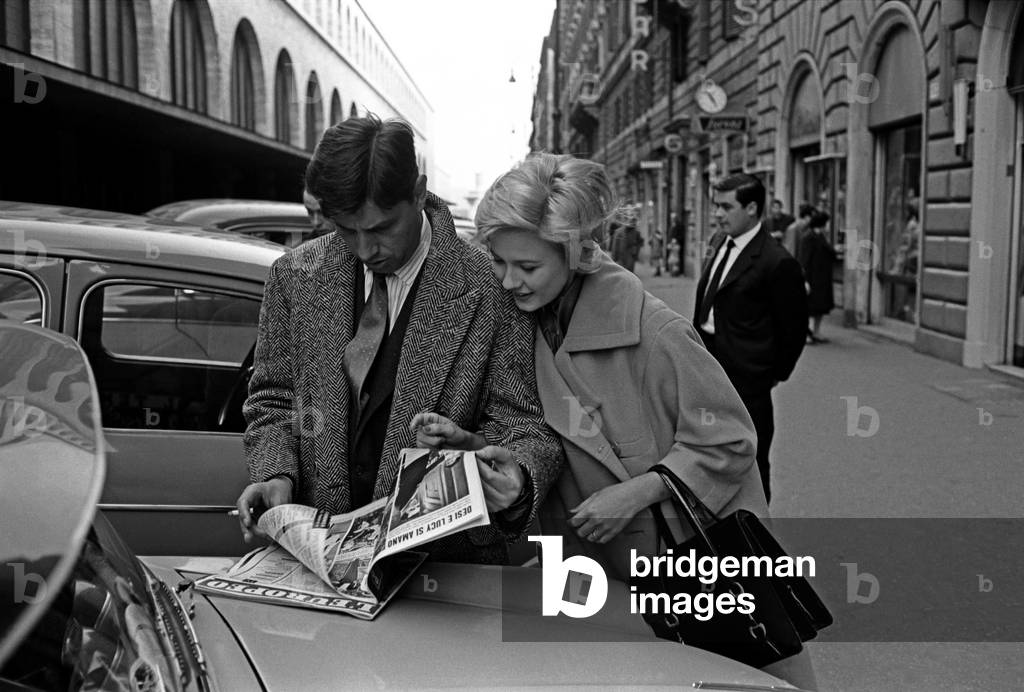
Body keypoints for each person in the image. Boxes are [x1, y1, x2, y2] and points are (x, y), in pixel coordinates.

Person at [410, 154, 816, 688]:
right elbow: (550, 436)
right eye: (499, 262)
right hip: (591, 571)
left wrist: (635, 493)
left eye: (527, 266)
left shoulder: (654, 331)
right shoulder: (532, 322)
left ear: (573, 252)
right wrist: (473, 443)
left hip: (685, 572)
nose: (509, 281)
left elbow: (730, 440)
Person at [236, 115, 563, 564]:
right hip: (317, 565)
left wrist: (518, 478)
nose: (365, 249)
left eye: (381, 228)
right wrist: (278, 474)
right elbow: (272, 400)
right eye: (346, 229)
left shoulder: (492, 284)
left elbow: (526, 426)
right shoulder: (293, 275)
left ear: (419, 192)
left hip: (447, 568)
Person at [694, 173, 808, 504]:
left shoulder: (777, 261)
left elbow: (793, 330)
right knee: (705, 457)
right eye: (716, 206)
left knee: (751, 466)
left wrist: (768, 374)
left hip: (747, 381)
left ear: (752, 208)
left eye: (726, 207)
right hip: (705, 370)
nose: (717, 214)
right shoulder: (719, 241)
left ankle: (755, 529)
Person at [798, 211, 837, 344]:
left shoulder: (821, 236)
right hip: (813, 277)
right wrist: (804, 280)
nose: (829, 226)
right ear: (822, 224)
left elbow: (828, 252)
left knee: (820, 307)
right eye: (827, 223)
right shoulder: (808, 237)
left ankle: (816, 331)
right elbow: (804, 260)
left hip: (822, 278)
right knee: (809, 308)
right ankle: (806, 334)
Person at [610, 207, 642, 272]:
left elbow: (639, 244)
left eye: (633, 219)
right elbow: (615, 246)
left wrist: (636, 254)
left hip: (630, 257)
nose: (631, 221)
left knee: (629, 273)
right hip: (621, 258)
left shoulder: (636, 233)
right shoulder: (618, 232)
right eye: (628, 218)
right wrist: (614, 258)